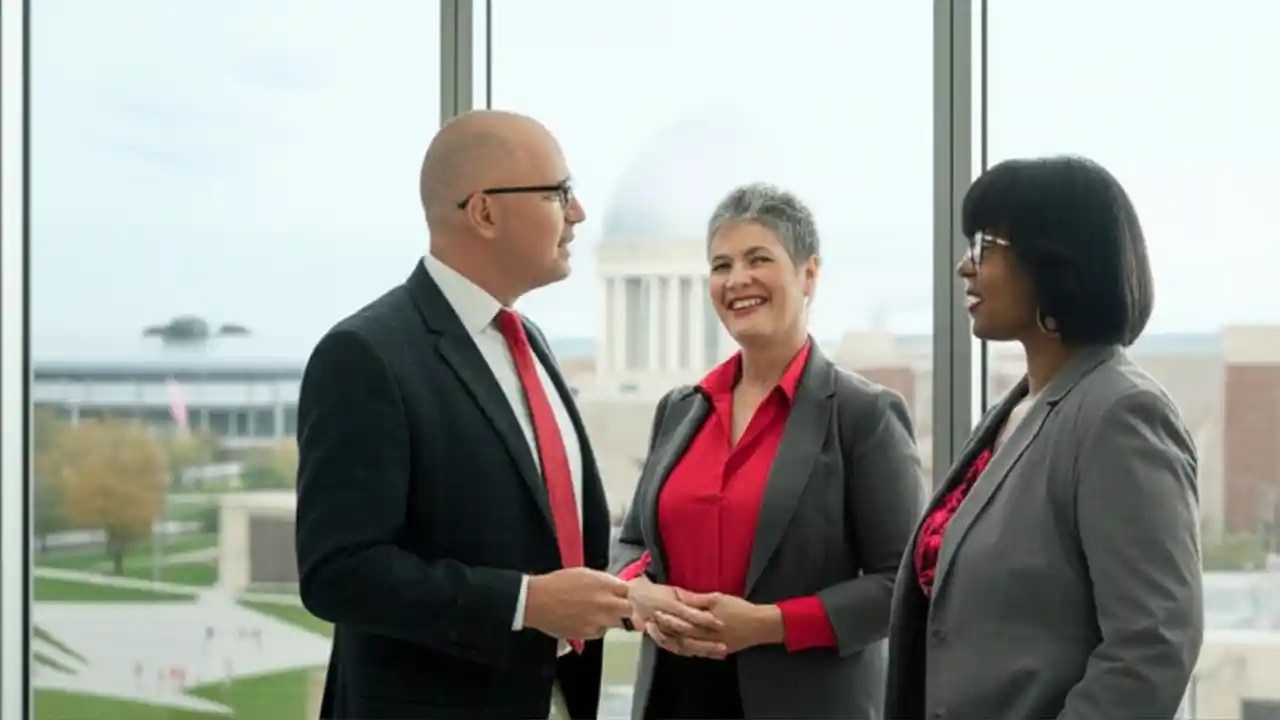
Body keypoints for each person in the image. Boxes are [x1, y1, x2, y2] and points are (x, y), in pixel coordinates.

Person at [295, 109, 631, 719]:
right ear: (484, 212)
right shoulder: (366, 355)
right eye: (559, 193)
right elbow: (337, 573)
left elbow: (544, 526)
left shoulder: (529, 340)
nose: (577, 213)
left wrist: (626, 594)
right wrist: (525, 603)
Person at [884, 156, 1203, 720]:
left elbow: (1151, 646)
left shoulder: (1120, 414)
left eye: (984, 244)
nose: (964, 266)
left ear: (1055, 258)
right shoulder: (1012, 414)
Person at [610, 183, 927, 719]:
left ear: (809, 274)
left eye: (759, 259)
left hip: (803, 700)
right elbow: (633, 541)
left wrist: (766, 624)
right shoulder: (680, 409)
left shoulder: (862, 415)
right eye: (722, 264)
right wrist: (635, 594)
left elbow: (902, 584)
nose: (738, 280)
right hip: (673, 696)